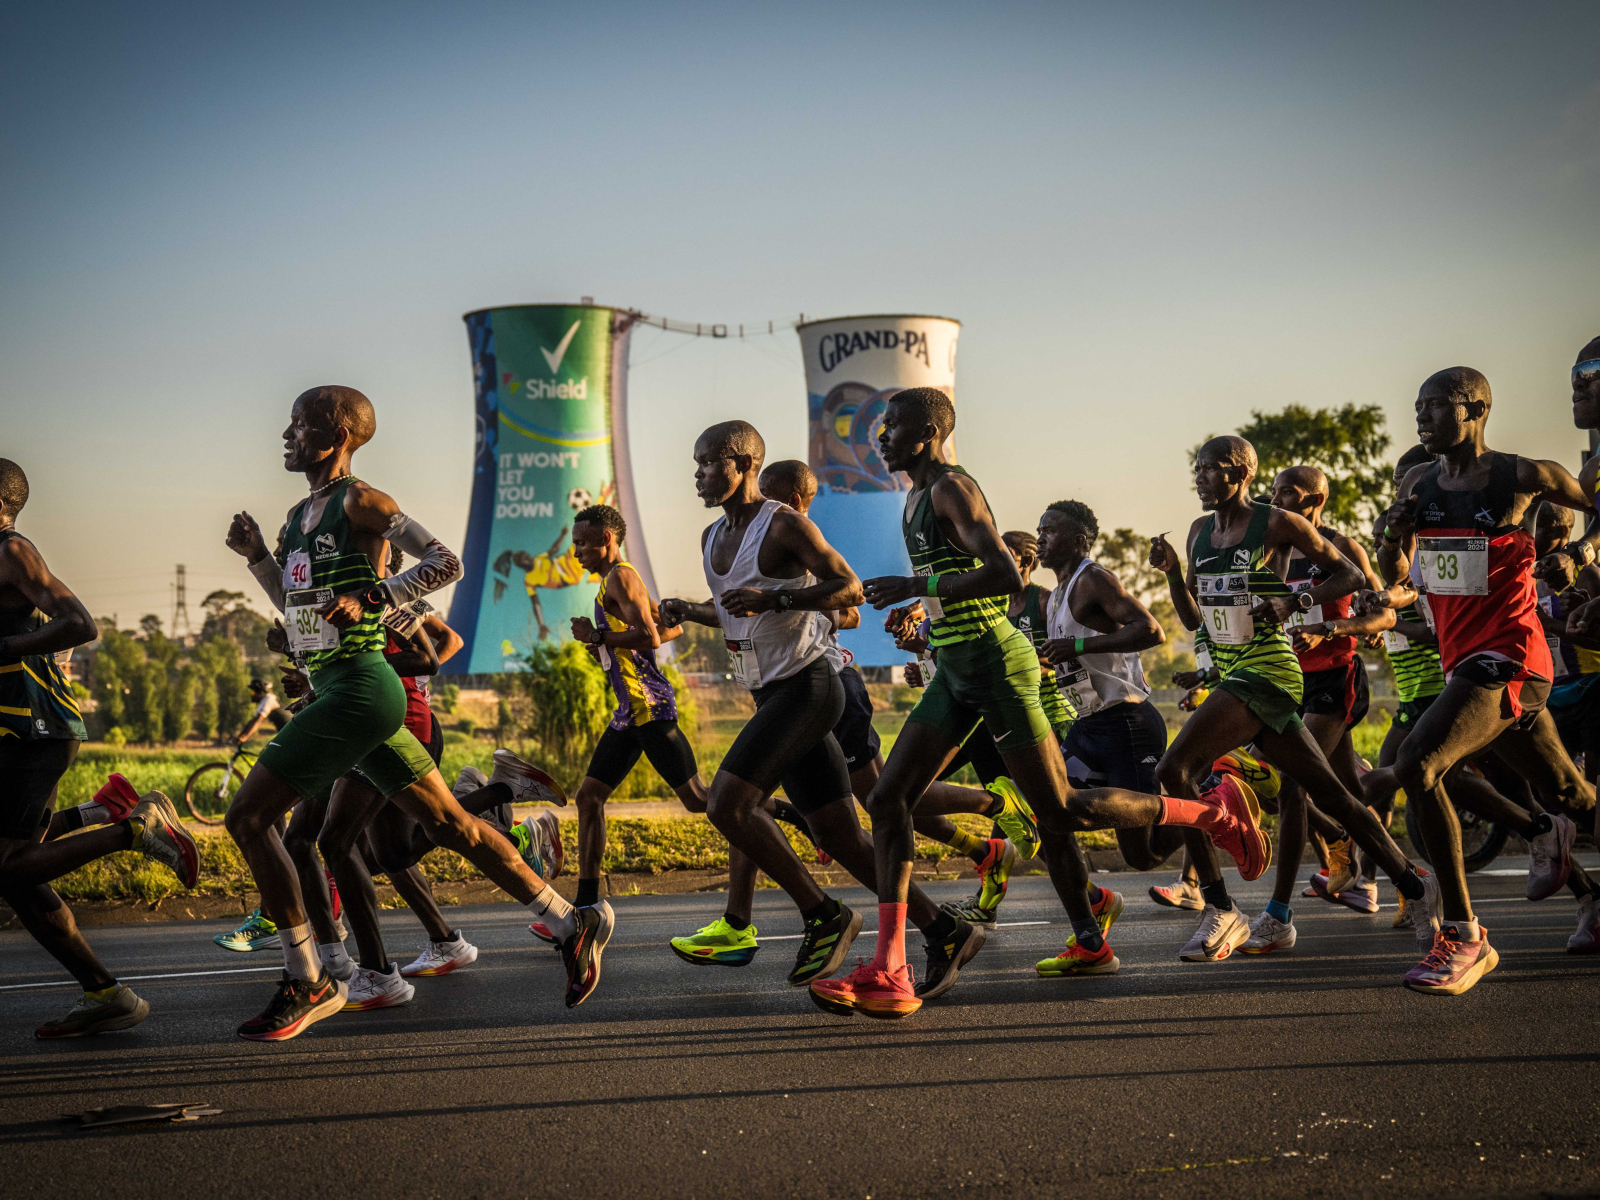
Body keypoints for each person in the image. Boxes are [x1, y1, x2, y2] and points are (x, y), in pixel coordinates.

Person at [823, 390, 1263, 1019]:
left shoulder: (952, 489)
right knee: (888, 798)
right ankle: (895, 964)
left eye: (891, 425)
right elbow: (963, 588)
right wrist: (923, 613)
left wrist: (916, 584)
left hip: (998, 667)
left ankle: (1208, 815)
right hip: (957, 669)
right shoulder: (914, 497)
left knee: (1060, 811)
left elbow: (1003, 572)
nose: (879, 436)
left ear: (927, 432)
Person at [225, 385, 586, 1039]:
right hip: (338, 691)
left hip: (362, 689)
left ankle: (309, 977)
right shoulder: (297, 516)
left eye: (299, 423)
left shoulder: (362, 501)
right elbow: (294, 607)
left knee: (250, 817)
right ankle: (569, 921)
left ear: (337, 435)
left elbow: (448, 562)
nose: (286, 434)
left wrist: (372, 597)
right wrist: (258, 558)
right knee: (449, 824)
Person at [660, 421, 988, 1009]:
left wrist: (779, 598)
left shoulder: (783, 524)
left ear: (743, 463)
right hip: (769, 693)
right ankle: (946, 930)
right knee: (839, 834)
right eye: (696, 463)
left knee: (727, 805)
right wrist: (688, 609)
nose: (698, 474)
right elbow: (735, 611)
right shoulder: (712, 536)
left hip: (808, 689)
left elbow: (849, 589)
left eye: (709, 462)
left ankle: (823, 914)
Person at [1109, 435, 1430, 963]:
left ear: (1241, 473)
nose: (1199, 477)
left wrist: (1294, 601)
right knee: (1333, 796)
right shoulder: (1198, 532)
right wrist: (1171, 576)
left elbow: (1349, 575)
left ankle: (1220, 907)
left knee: (1174, 769)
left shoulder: (1276, 523)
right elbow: (1193, 618)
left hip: (1269, 670)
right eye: (1196, 468)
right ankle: (1417, 888)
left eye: (1210, 468)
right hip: (1235, 671)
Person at [1378, 366, 1597, 994]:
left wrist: (1580, 551)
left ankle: (1465, 936)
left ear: (1475, 409)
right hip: (1462, 662)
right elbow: (1399, 573)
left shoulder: (1524, 476)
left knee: (1419, 762)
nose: (1420, 416)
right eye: (1416, 405)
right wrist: (1393, 534)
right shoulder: (1419, 482)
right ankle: (1588, 890)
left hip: (1512, 656)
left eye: (1434, 405)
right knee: (1569, 795)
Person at [0, 458, 199, 1038]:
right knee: (17, 874)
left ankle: (135, 829)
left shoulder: (12, 551)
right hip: (18, 731)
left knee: (7, 866)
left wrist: (6, 648)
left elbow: (80, 624)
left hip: (32, 729)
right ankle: (105, 993)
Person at [234, 678, 290, 745]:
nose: (251, 695)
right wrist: (240, 735)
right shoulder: (264, 700)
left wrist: (244, 738)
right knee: (268, 749)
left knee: (270, 750)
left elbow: (258, 721)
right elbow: (252, 721)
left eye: (253, 692)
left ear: (260, 692)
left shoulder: (269, 699)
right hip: (285, 731)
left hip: (290, 730)